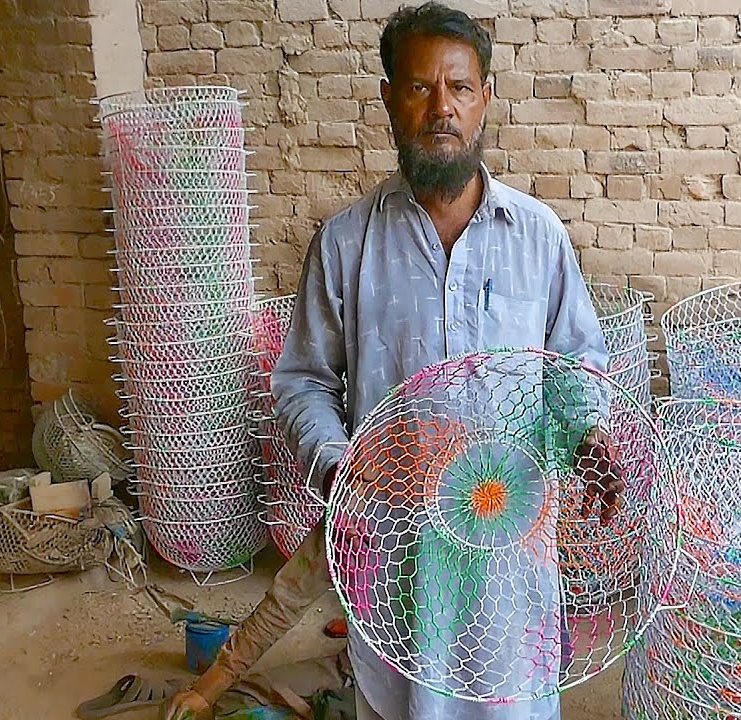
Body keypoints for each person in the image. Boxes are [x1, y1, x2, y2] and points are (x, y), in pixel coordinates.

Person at [165, 4, 622, 719]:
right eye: (418, 88)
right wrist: (337, 468)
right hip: (393, 551)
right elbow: (303, 381)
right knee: (402, 703)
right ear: (387, 99)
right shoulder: (346, 244)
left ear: (486, 98)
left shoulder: (538, 237)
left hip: (509, 554)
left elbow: (578, 365)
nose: (442, 108)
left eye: (460, 87)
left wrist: (591, 435)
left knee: (508, 702)